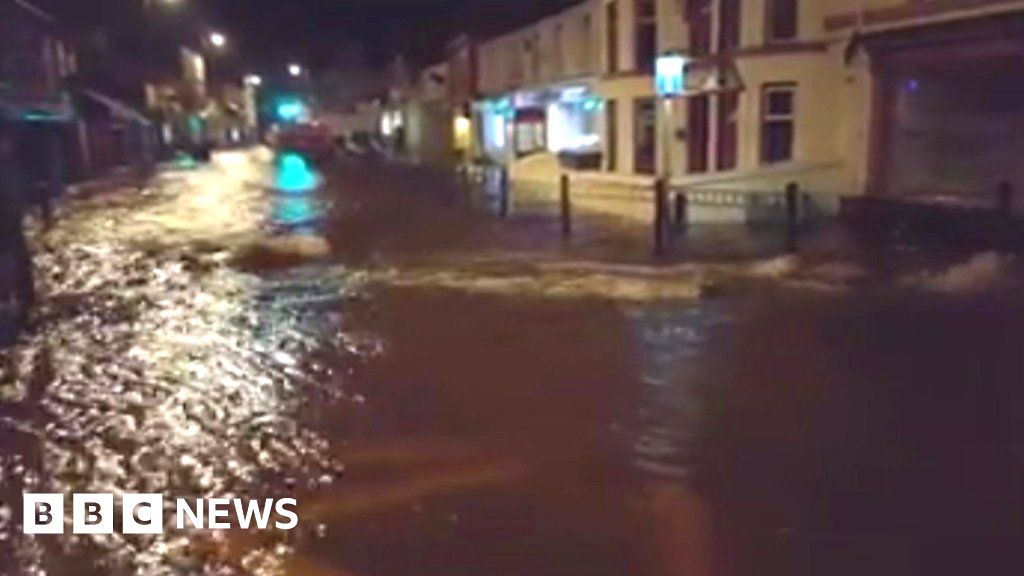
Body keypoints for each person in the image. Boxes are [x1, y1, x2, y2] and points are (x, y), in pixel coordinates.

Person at [0, 117, 35, 325]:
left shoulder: (10, 167)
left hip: (9, 217)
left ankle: (20, 301)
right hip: (9, 215)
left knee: (15, 256)